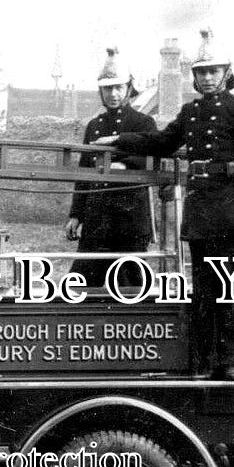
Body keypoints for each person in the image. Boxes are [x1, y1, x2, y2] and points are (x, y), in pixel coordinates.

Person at [96, 29, 234, 380]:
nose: (208, 77)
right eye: (202, 72)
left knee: (231, 291)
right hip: (201, 216)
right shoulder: (190, 112)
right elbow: (163, 141)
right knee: (205, 291)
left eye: (214, 71)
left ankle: (231, 363)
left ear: (227, 73)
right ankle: (202, 362)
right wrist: (121, 140)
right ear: (194, 76)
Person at [66, 47, 157, 290]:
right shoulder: (94, 126)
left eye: (118, 87)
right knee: (83, 288)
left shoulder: (144, 123)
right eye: (108, 88)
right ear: (101, 91)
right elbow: (83, 175)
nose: (113, 94)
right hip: (97, 219)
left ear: (129, 88)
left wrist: (121, 163)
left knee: (129, 289)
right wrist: (76, 215)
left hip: (130, 219)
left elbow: (151, 163)